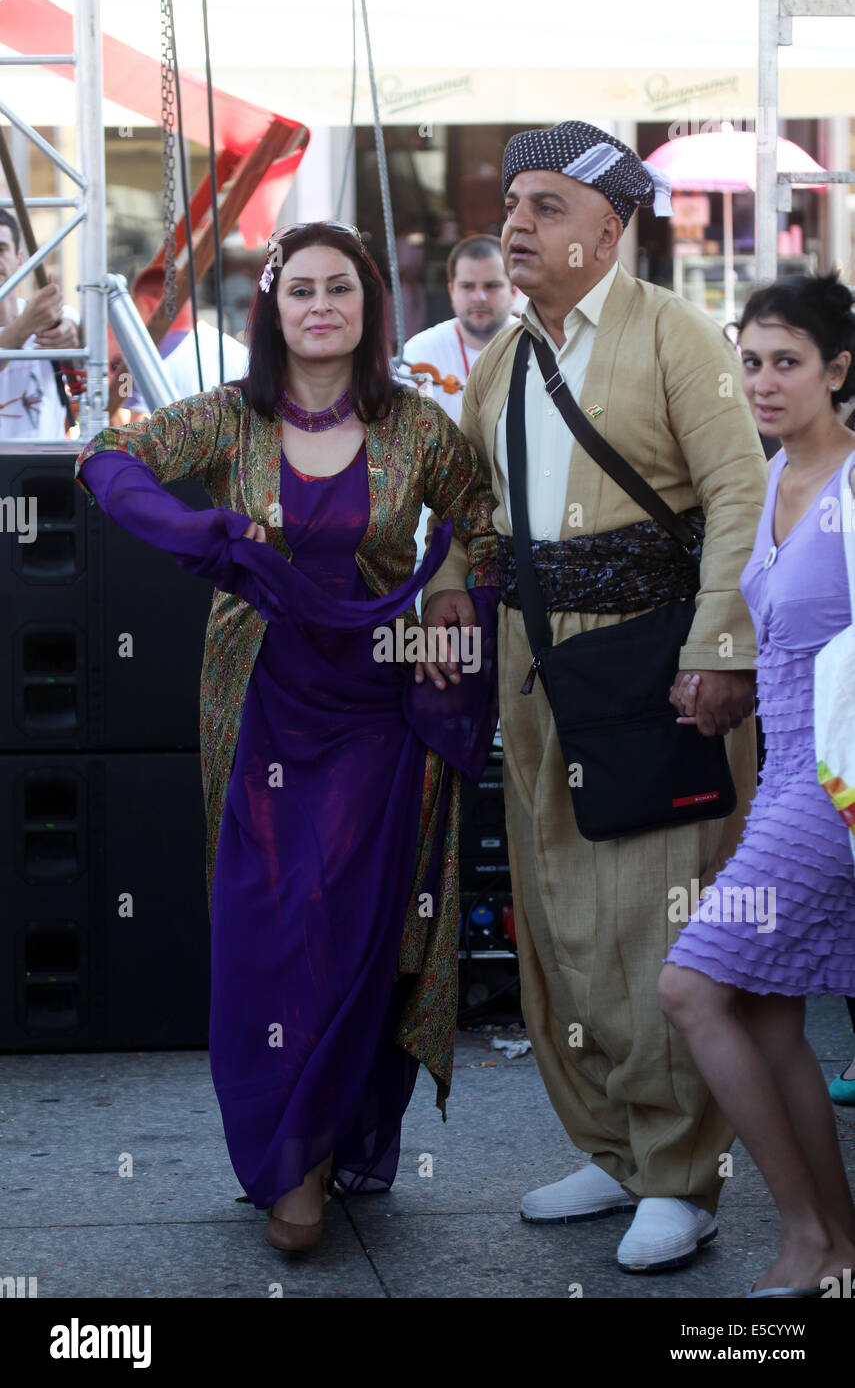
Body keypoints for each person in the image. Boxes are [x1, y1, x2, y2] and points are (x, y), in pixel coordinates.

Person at [74, 221, 499, 1253]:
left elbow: (477, 513)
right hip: (264, 705)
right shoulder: (229, 419)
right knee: (273, 929)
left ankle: (315, 1151)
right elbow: (106, 456)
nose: (320, 306)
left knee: (353, 926)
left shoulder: (418, 427)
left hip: (379, 715)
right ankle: (281, 1152)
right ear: (271, 306)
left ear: (369, 306)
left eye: (340, 289)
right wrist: (201, 532)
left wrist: (448, 592)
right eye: (299, 288)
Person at [419, 120, 768, 1274]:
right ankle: (612, 1148)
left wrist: (722, 649)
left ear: (610, 229)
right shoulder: (505, 357)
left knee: (649, 916)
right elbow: (472, 507)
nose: (517, 225)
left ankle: (683, 1176)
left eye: (547, 206)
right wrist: (458, 598)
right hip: (535, 674)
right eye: (513, 203)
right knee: (559, 920)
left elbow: (738, 494)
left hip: (656, 668)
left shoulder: (675, 334)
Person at [660, 272, 855, 1297]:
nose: (766, 381)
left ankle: (807, 1237)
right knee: (771, 1017)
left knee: (690, 986)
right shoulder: (773, 474)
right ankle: (837, 1247)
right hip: (782, 769)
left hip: (834, 782)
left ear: (837, 370)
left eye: (789, 362)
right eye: (752, 361)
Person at [403, 235, 515, 426]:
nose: (479, 297)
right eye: (467, 286)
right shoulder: (419, 353)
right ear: (452, 291)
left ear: (514, 291)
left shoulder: (539, 347)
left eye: (492, 286)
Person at [123, 264, 248, 410]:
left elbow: (131, 426)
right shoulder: (240, 352)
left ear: (148, 305)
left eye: (136, 311)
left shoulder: (146, 361)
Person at [0, 209, 74, 440]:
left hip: (42, 468)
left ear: (20, 259)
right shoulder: (34, 317)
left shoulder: (49, 317)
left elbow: (81, 330)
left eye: (1, 249)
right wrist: (25, 326)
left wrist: (72, 332)